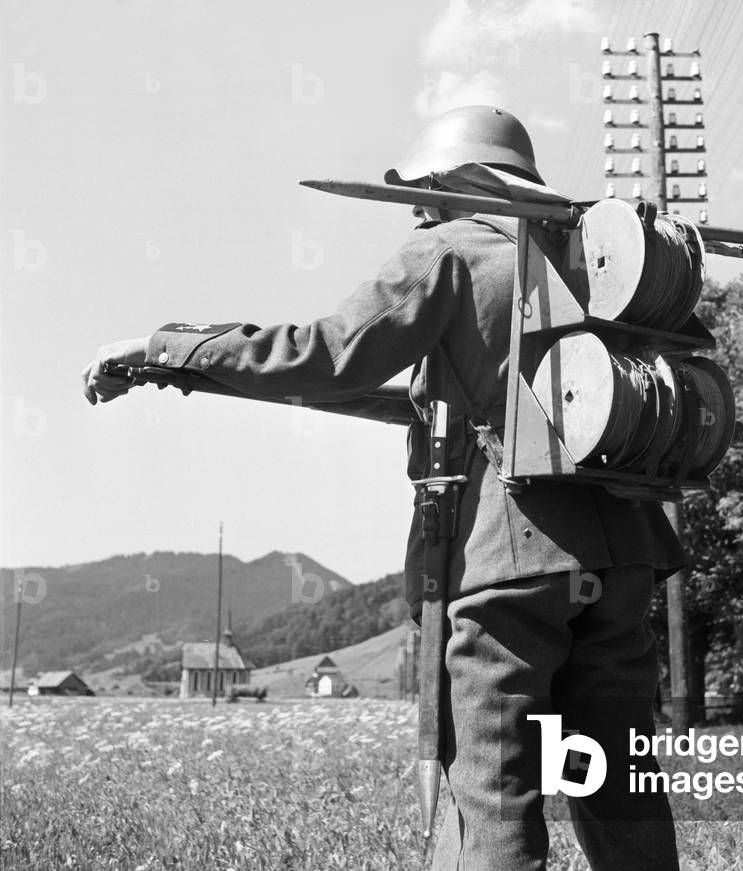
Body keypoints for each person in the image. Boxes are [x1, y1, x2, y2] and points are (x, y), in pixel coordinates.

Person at [81, 105, 683, 870]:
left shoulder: (448, 251)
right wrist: (187, 372)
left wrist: (168, 343)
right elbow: (463, 399)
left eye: (422, 191)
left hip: (509, 565)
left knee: (495, 786)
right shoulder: (597, 262)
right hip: (622, 556)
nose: (415, 209)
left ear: (453, 180)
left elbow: (327, 354)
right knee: (615, 783)